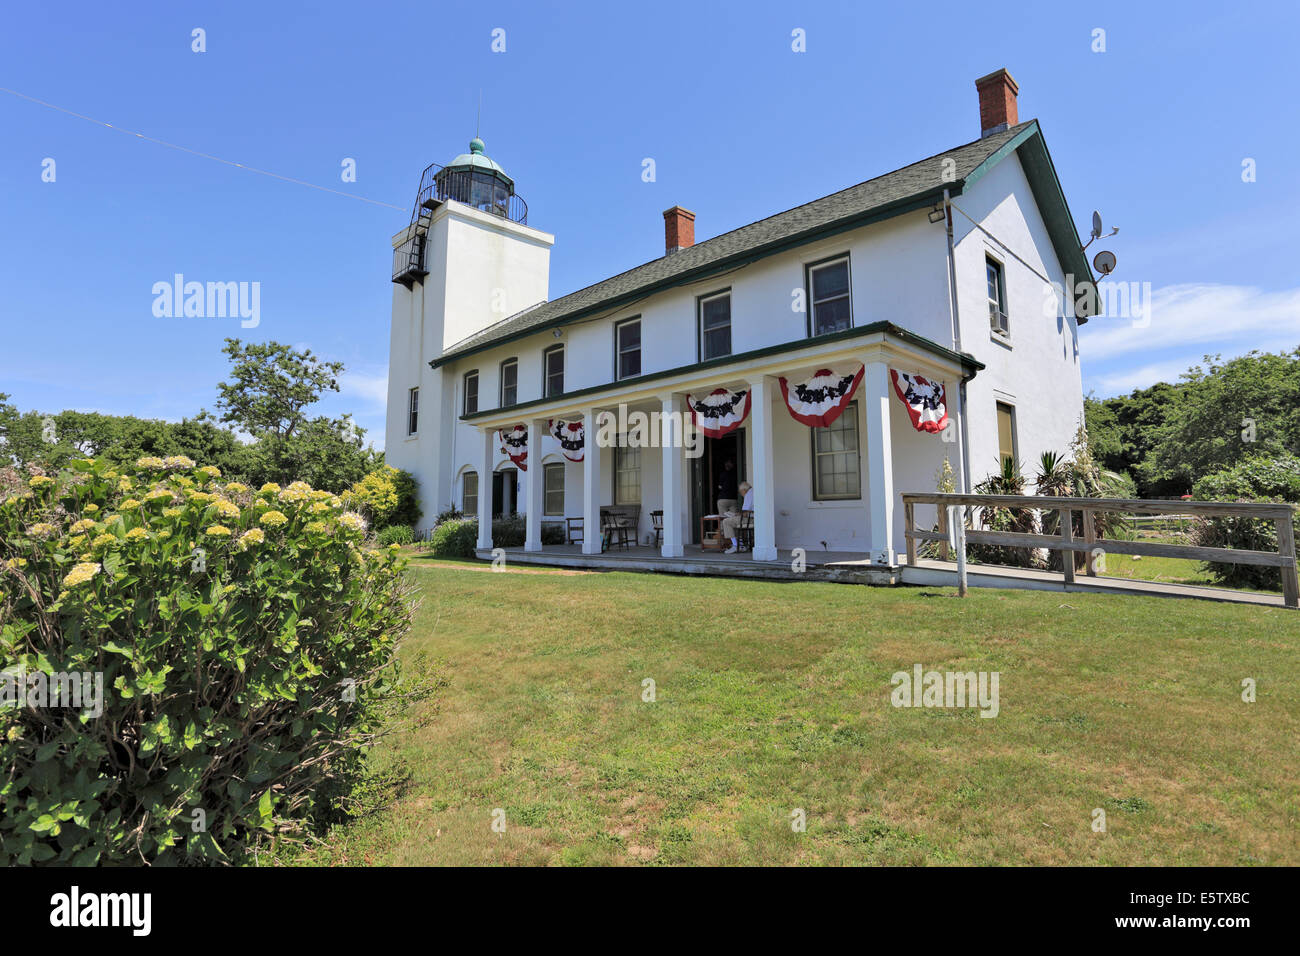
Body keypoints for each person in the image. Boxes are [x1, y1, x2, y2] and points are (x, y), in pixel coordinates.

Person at [722, 481, 753, 554]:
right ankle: (741, 545)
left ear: (744, 490)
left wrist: (736, 515)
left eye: (740, 492)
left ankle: (736, 546)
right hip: (754, 518)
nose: (741, 494)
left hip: (750, 519)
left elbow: (745, 513)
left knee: (726, 521)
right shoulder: (754, 491)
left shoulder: (749, 494)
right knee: (733, 522)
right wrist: (737, 514)